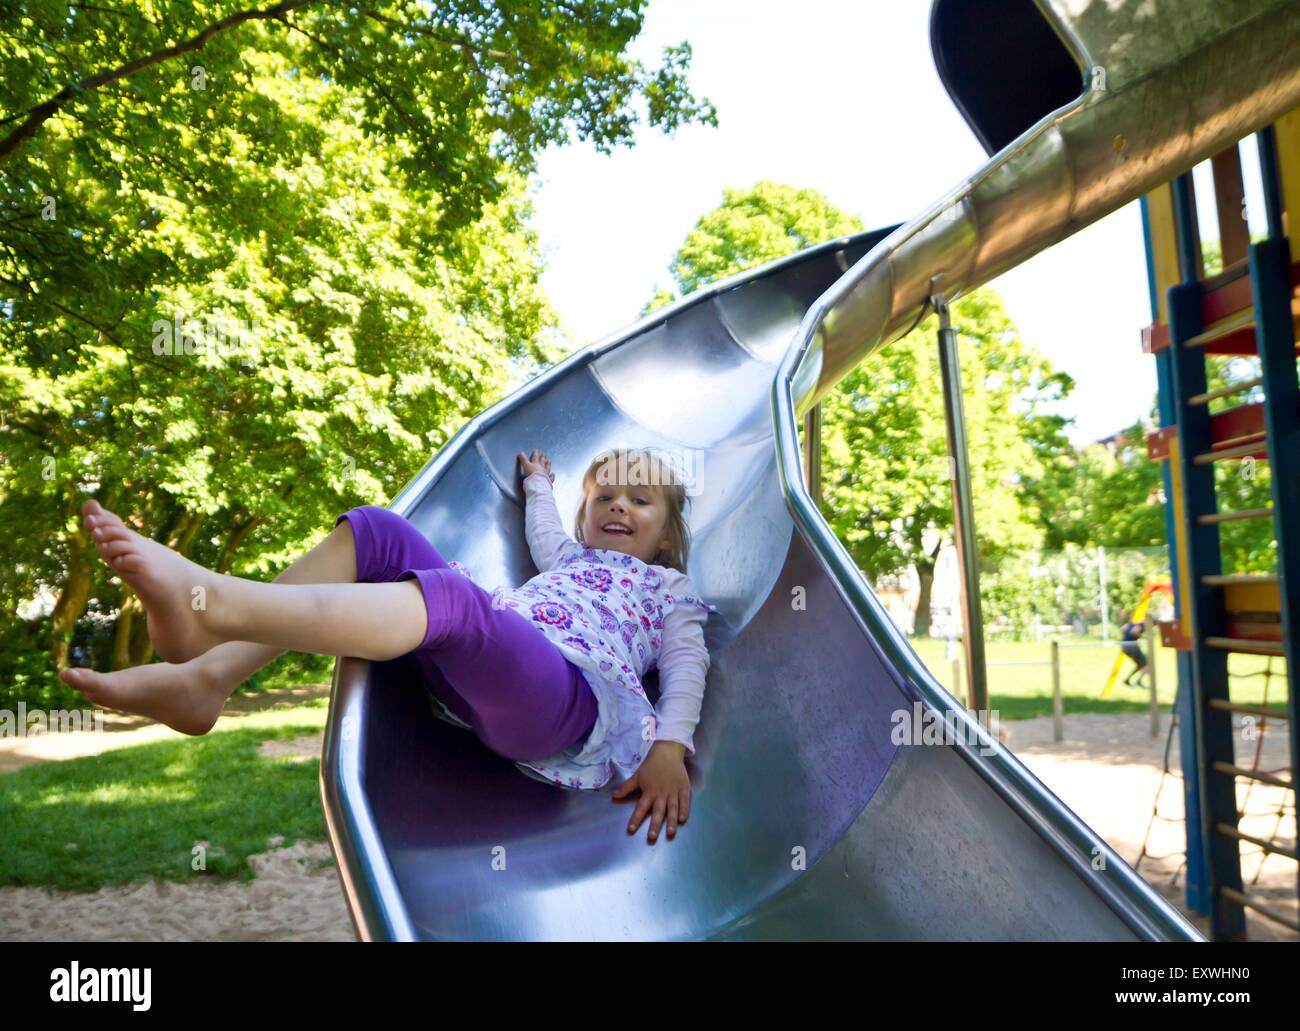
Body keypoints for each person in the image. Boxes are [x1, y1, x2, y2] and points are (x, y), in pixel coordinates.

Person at [57, 446, 716, 844]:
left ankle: (215, 606)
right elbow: (544, 528)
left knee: (460, 604)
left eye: (641, 499)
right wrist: (540, 483)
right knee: (377, 531)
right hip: (479, 667)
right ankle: (208, 679)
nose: (618, 505)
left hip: (563, 703)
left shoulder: (668, 585)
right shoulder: (568, 559)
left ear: (667, 532)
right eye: (604, 494)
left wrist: (669, 746)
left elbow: (688, 665)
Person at [1119, 614, 1148, 686]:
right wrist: (1141, 636)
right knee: (1147, 663)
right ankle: (1139, 681)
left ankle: (1127, 680)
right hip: (1132, 647)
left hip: (1124, 646)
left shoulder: (1130, 624)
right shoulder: (1142, 625)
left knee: (1140, 665)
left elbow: (1122, 630)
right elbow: (1134, 631)